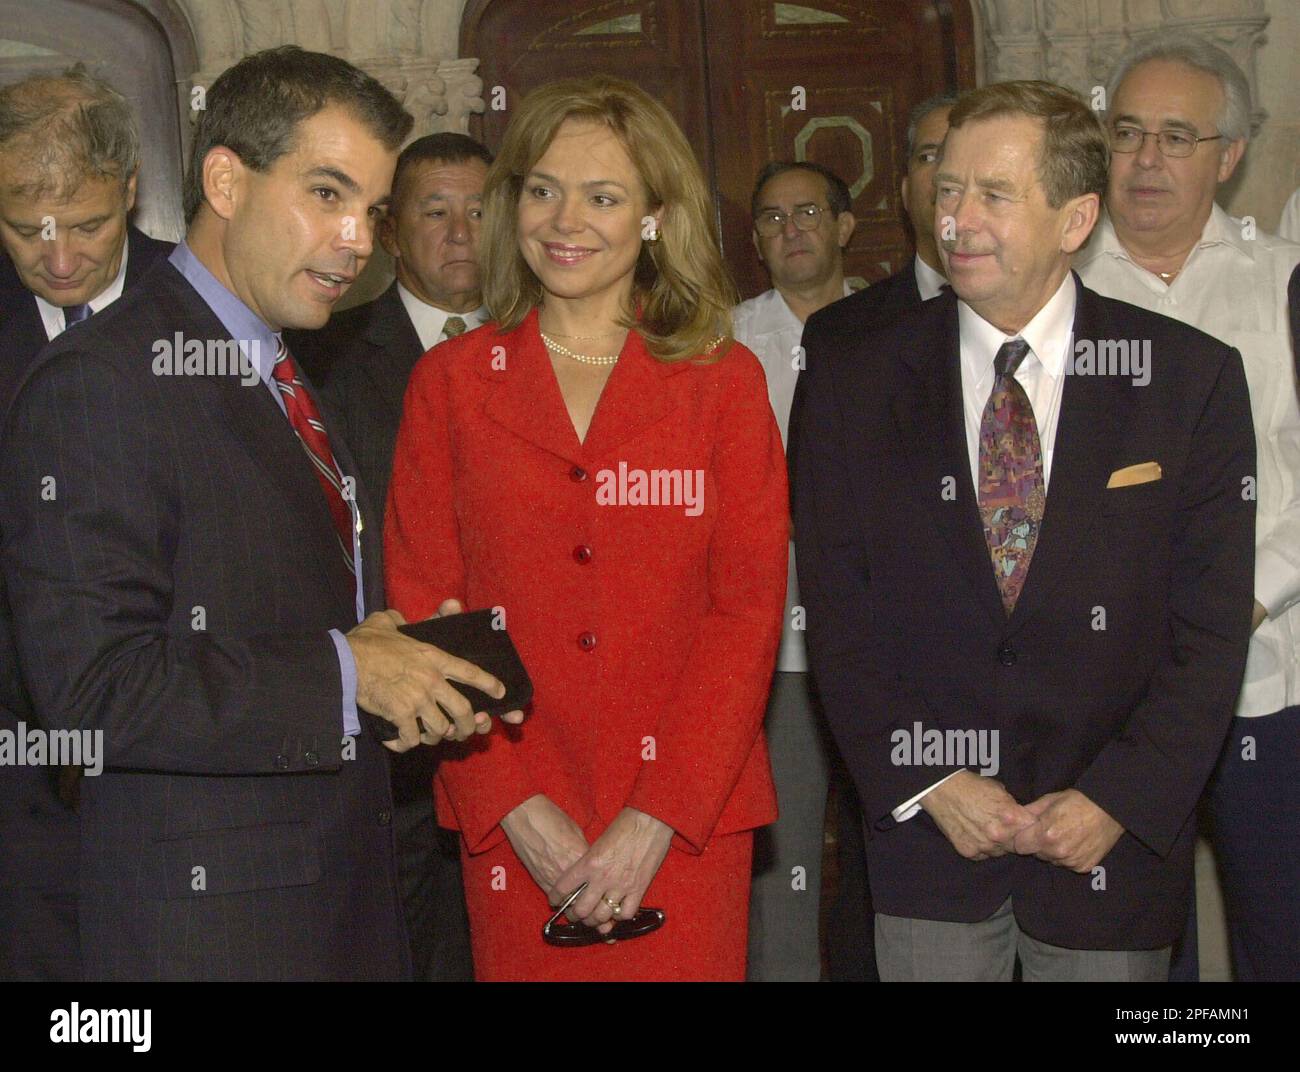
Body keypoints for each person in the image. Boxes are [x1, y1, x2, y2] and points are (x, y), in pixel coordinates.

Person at [0, 45, 518, 982]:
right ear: (226, 180)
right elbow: (91, 688)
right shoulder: (98, 383)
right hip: (211, 932)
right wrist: (344, 670)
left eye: (369, 210)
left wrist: (391, 659)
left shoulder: (279, 364)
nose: (358, 239)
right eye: (326, 194)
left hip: (336, 900)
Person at [794, 79, 1256, 982]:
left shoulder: (1187, 381)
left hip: (1110, 850)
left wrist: (1115, 800)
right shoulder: (853, 377)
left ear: (1076, 216)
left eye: (994, 196)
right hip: (931, 843)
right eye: (948, 187)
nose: (956, 219)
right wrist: (932, 780)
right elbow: (840, 620)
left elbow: (1207, 632)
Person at [385, 75, 788, 981]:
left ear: (654, 216)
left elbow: (747, 617)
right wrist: (513, 805)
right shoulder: (450, 382)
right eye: (542, 190)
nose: (564, 221)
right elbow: (427, 609)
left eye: (602, 196)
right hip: (517, 814)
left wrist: (654, 818)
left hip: (686, 822)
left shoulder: (723, 382)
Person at [1076, 32, 1300, 983]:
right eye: (1128, 133)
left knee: (1281, 942)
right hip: (1106, 697)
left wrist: (1238, 600)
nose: (1148, 160)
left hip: (1268, 680)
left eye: (1177, 136)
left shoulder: (1283, 281)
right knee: (1136, 961)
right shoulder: (1054, 288)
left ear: (1230, 156)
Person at [287, 131, 493, 982]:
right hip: (393, 723)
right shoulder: (325, 353)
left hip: (527, 715)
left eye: (479, 211)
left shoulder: (560, 344)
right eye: (433, 212)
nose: (459, 233)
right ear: (393, 233)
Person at [0, 66, 172, 981]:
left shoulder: (212, 314)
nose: (59, 259)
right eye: (26, 231)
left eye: (91, 225)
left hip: (181, 764)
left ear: (134, 192)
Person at [792, 92, 958, 982]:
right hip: (897, 707)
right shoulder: (846, 335)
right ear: (904, 185)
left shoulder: (1104, 337)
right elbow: (825, 546)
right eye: (931, 158)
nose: (952, 183)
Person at [732, 159, 854, 981]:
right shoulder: (725, 339)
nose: (791, 231)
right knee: (784, 869)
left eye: (807, 212)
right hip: (779, 652)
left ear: (845, 226)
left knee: (908, 870)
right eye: (772, 220)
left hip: (894, 649)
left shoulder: (907, 323)